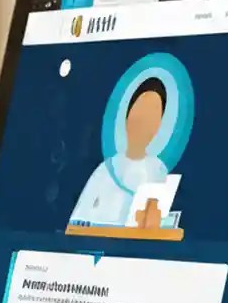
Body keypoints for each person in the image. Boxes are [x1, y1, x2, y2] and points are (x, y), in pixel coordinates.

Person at [69, 77, 170, 226]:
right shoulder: (105, 170)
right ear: (127, 116)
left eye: (153, 115)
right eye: (140, 112)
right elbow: (77, 222)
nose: (144, 122)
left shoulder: (159, 170)